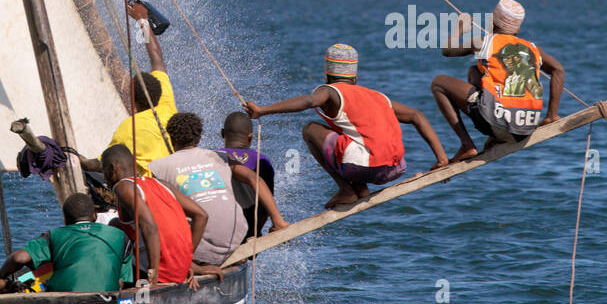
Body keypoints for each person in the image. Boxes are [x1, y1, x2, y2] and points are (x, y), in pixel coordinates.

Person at [244, 44, 449, 210]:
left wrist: (263, 110)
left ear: (326, 77)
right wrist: (441, 159)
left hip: (363, 166)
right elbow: (416, 115)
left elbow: (308, 101)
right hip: (396, 168)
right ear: (355, 78)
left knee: (311, 130)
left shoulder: (330, 92)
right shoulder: (379, 97)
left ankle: (346, 189)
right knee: (347, 135)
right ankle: (359, 188)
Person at [431, 0, 565, 161]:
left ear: (492, 22)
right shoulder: (533, 48)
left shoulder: (483, 41)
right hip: (525, 130)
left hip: (495, 121)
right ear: (518, 28)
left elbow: (448, 50)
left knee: (439, 82)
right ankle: (499, 135)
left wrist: (460, 27)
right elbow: (558, 70)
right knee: (474, 71)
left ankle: (466, 145)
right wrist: (551, 115)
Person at [151, 112, 284, 265]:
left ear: (170, 138)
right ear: (199, 138)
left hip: (200, 246)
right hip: (237, 236)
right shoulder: (219, 157)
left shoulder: (158, 167)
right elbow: (255, 180)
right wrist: (277, 222)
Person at [78, 0, 176, 177]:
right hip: (175, 179)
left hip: (153, 189)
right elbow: (156, 57)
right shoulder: (167, 103)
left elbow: (102, 163)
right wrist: (142, 19)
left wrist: (79, 160)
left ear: (134, 99)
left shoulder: (128, 128)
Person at [101, 142, 203, 287]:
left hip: (155, 274)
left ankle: (133, 295)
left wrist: (152, 277)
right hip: (179, 270)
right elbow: (201, 215)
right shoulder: (160, 183)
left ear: (112, 169)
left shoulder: (122, 187)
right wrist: (186, 261)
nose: (104, 179)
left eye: (104, 172)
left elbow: (150, 226)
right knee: (116, 223)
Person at [0, 193, 134, 293]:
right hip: (106, 303)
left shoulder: (54, 235)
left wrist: (0, 277)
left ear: (65, 219)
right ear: (95, 216)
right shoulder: (121, 237)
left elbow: (19, 258)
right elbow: (121, 283)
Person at [218, 110, 281, 239]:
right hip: (249, 230)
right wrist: (255, 232)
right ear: (251, 136)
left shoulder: (213, 157)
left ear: (223, 133)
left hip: (221, 229)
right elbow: (266, 203)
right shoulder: (262, 160)